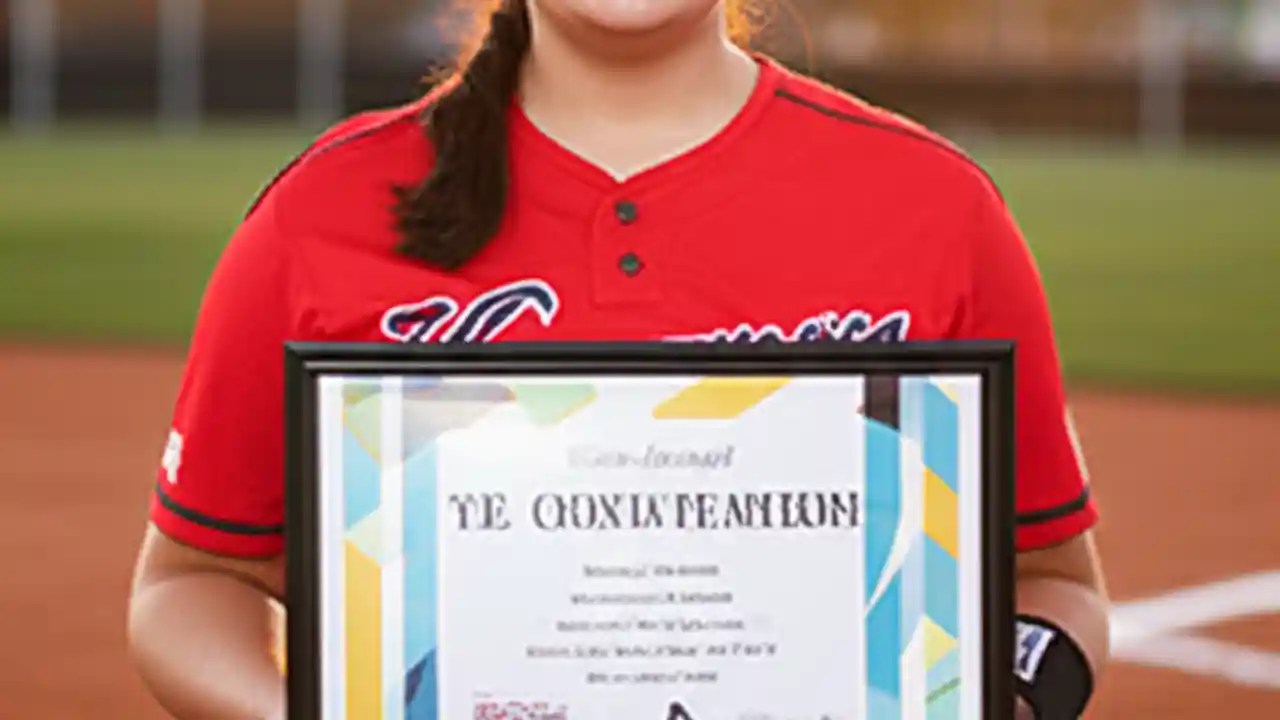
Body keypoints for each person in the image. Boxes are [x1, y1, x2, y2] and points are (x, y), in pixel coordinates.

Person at [126, 0, 1110, 718]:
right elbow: (185, 583)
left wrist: (1000, 705)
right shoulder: (321, 211)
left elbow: (1053, 581)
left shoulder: (932, 207)